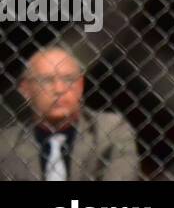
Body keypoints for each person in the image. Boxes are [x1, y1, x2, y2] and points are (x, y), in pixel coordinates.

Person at [0, 46, 140, 181]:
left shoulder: (112, 130)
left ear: (80, 85)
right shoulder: (5, 144)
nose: (59, 89)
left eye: (68, 79)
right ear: (25, 89)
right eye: (47, 80)